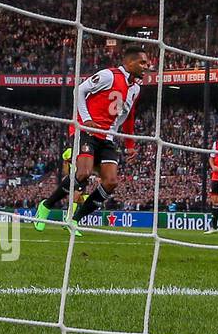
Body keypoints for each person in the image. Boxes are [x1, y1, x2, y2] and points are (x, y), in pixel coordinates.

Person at [35, 45, 150, 235]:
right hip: (86, 130)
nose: (146, 66)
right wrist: (86, 118)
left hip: (107, 136)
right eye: (142, 62)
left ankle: (73, 220)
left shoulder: (135, 89)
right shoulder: (109, 75)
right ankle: (46, 206)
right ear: (129, 62)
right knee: (84, 173)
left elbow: (129, 116)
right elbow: (79, 91)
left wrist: (130, 145)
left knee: (111, 182)